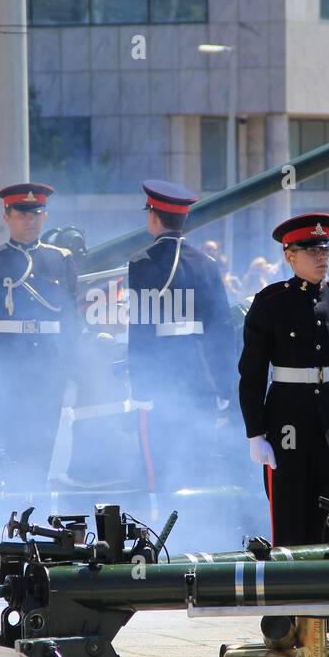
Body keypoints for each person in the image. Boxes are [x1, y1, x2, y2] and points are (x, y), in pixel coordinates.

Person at [238, 212, 329, 545]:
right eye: (312, 250)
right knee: (289, 518)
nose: (322, 257)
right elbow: (252, 372)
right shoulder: (271, 303)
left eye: (326, 250)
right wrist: (255, 432)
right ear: (290, 255)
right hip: (287, 420)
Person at [0, 183, 79, 489]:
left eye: (37, 213)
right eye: (23, 214)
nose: (31, 220)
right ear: (8, 216)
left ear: (45, 216)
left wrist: (71, 376)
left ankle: (35, 518)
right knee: (11, 450)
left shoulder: (61, 259)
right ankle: (10, 521)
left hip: (48, 366)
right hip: (6, 366)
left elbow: (71, 324)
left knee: (43, 448)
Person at [128, 181, 236, 491]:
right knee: (198, 463)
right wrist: (223, 384)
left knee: (159, 470)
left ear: (153, 216)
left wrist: (140, 384)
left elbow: (141, 326)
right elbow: (222, 331)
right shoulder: (207, 263)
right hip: (200, 375)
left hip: (162, 376)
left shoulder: (142, 261)